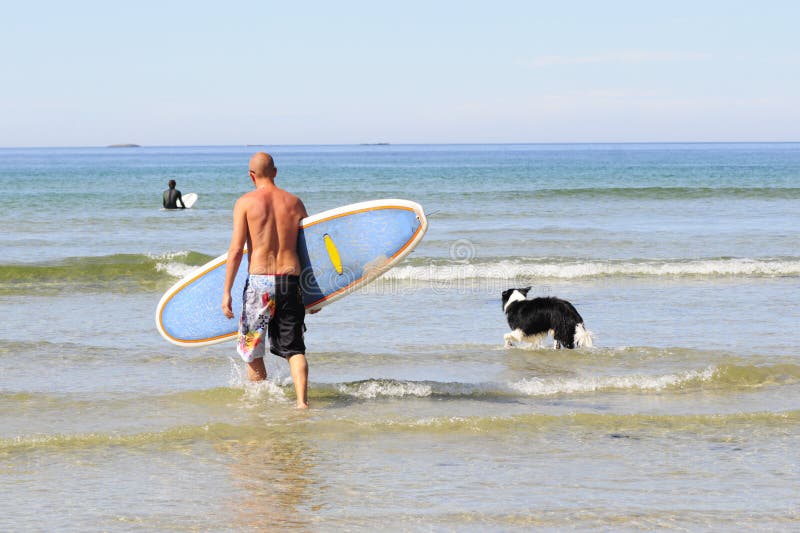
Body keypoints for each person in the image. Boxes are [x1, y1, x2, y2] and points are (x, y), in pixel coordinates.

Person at [222, 152, 311, 409]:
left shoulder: (245, 203)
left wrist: (226, 291)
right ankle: (302, 403)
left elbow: (237, 250)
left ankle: (260, 400)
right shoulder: (294, 202)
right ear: (275, 171)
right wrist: (313, 291)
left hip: (260, 282)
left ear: (251, 176)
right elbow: (307, 249)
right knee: (295, 348)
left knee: (251, 348)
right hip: (290, 280)